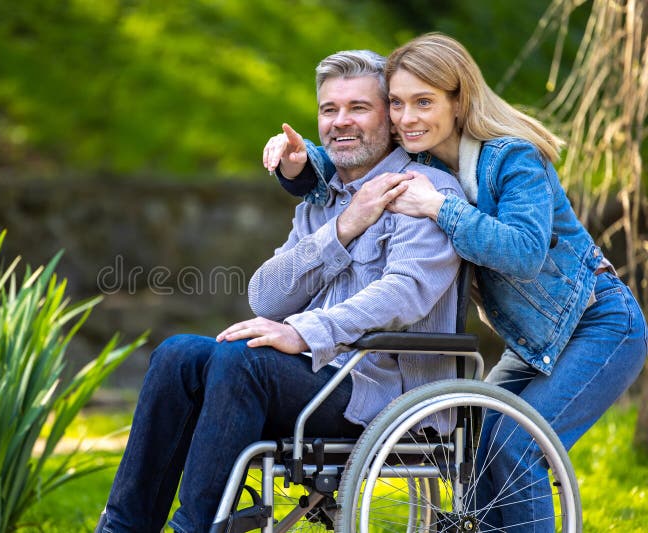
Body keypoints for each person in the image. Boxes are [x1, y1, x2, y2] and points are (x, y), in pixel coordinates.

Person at [265, 32, 648, 533]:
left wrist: (439, 208)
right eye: (398, 103)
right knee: (478, 449)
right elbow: (352, 160)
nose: (406, 118)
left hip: (600, 323)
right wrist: (297, 166)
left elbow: (523, 253)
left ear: (458, 100)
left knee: (516, 446)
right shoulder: (422, 160)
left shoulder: (515, 160)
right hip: (534, 338)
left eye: (423, 102)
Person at [95, 49, 467, 532]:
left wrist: (306, 331)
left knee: (242, 360)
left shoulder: (424, 190)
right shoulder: (319, 201)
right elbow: (266, 298)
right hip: (314, 379)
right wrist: (345, 227)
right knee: (178, 355)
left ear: (391, 119)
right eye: (328, 110)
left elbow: (406, 293)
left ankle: (196, 528)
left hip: (382, 394)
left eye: (358, 108)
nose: (340, 122)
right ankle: (121, 527)